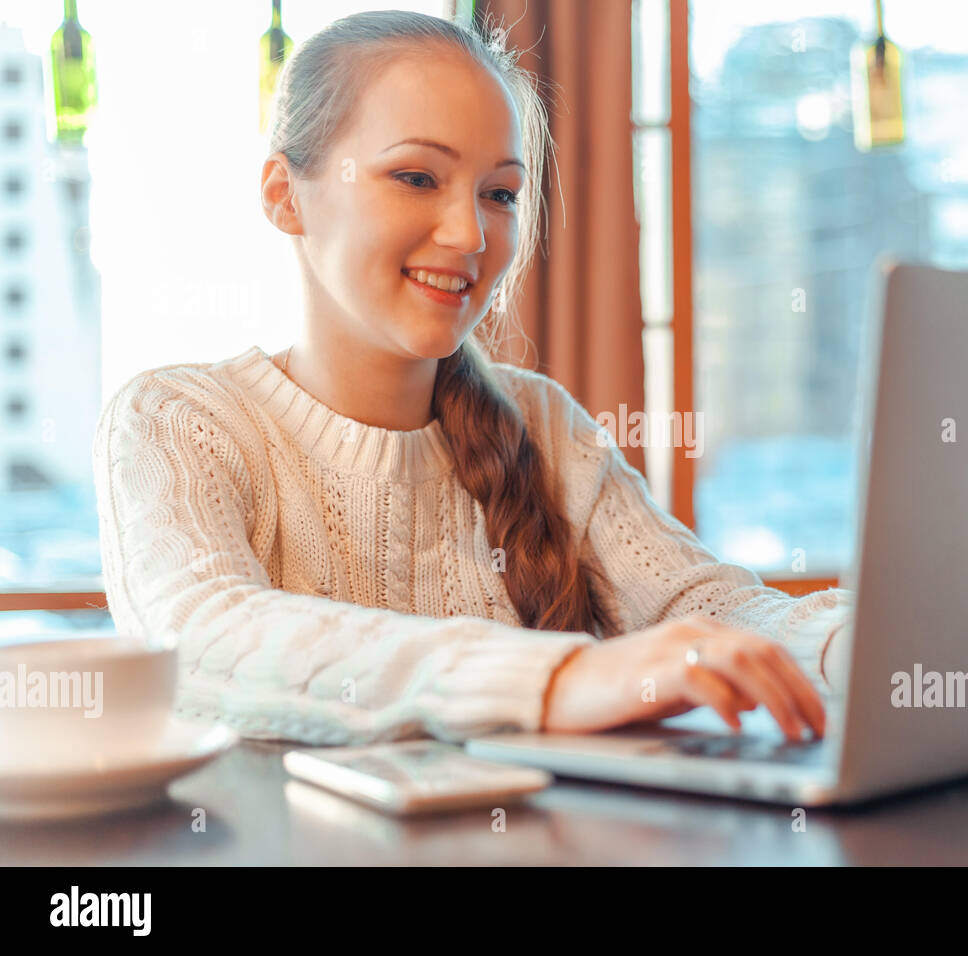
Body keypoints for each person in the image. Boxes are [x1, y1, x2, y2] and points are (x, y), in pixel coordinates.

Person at [92, 10, 851, 750]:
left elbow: (708, 607)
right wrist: (560, 680)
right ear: (285, 196)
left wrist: (878, 648)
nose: (470, 236)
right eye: (417, 176)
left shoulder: (542, 422)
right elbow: (198, 641)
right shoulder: (177, 420)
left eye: (500, 193)